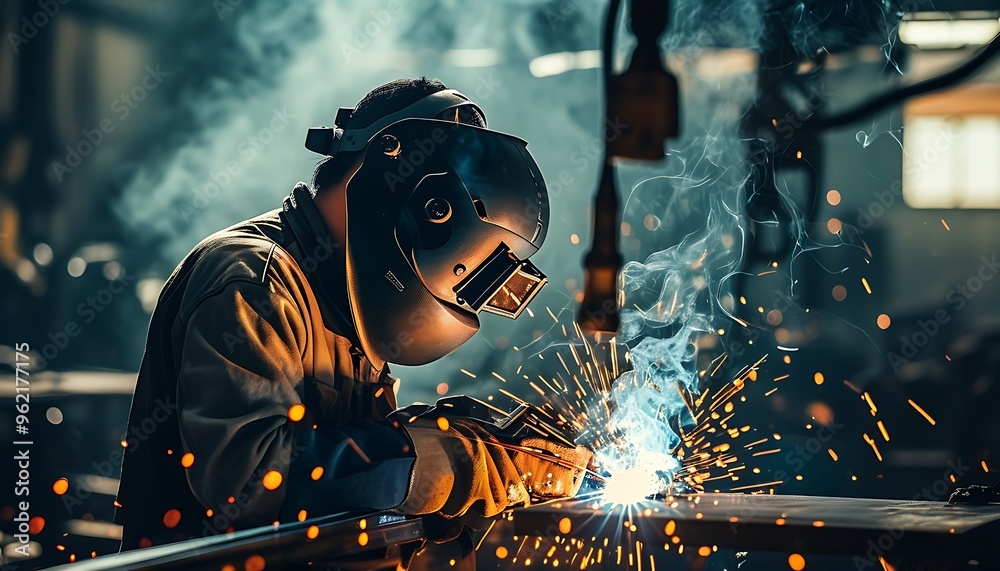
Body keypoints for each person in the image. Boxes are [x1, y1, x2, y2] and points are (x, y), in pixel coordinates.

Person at [115, 77, 590, 568]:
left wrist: (456, 434)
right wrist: (444, 461)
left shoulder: (345, 292)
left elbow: (342, 459)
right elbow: (248, 481)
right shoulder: (256, 279)